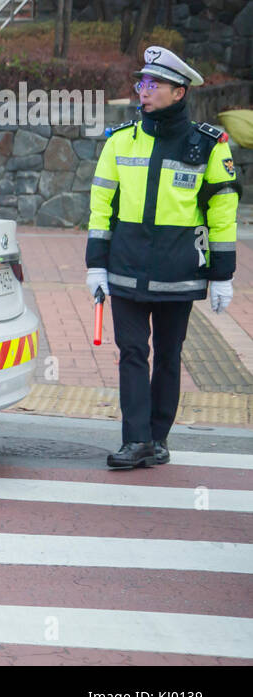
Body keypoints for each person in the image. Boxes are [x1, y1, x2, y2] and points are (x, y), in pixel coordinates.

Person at [86, 46, 240, 470]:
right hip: (125, 269)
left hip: (179, 272)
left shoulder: (209, 145)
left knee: (170, 356)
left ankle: (157, 438)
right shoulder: (119, 142)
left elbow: (222, 213)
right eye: (142, 82)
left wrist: (222, 275)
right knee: (132, 353)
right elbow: (101, 206)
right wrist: (95, 265)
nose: (144, 90)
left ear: (179, 92)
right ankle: (135, 440)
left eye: (154, 84)